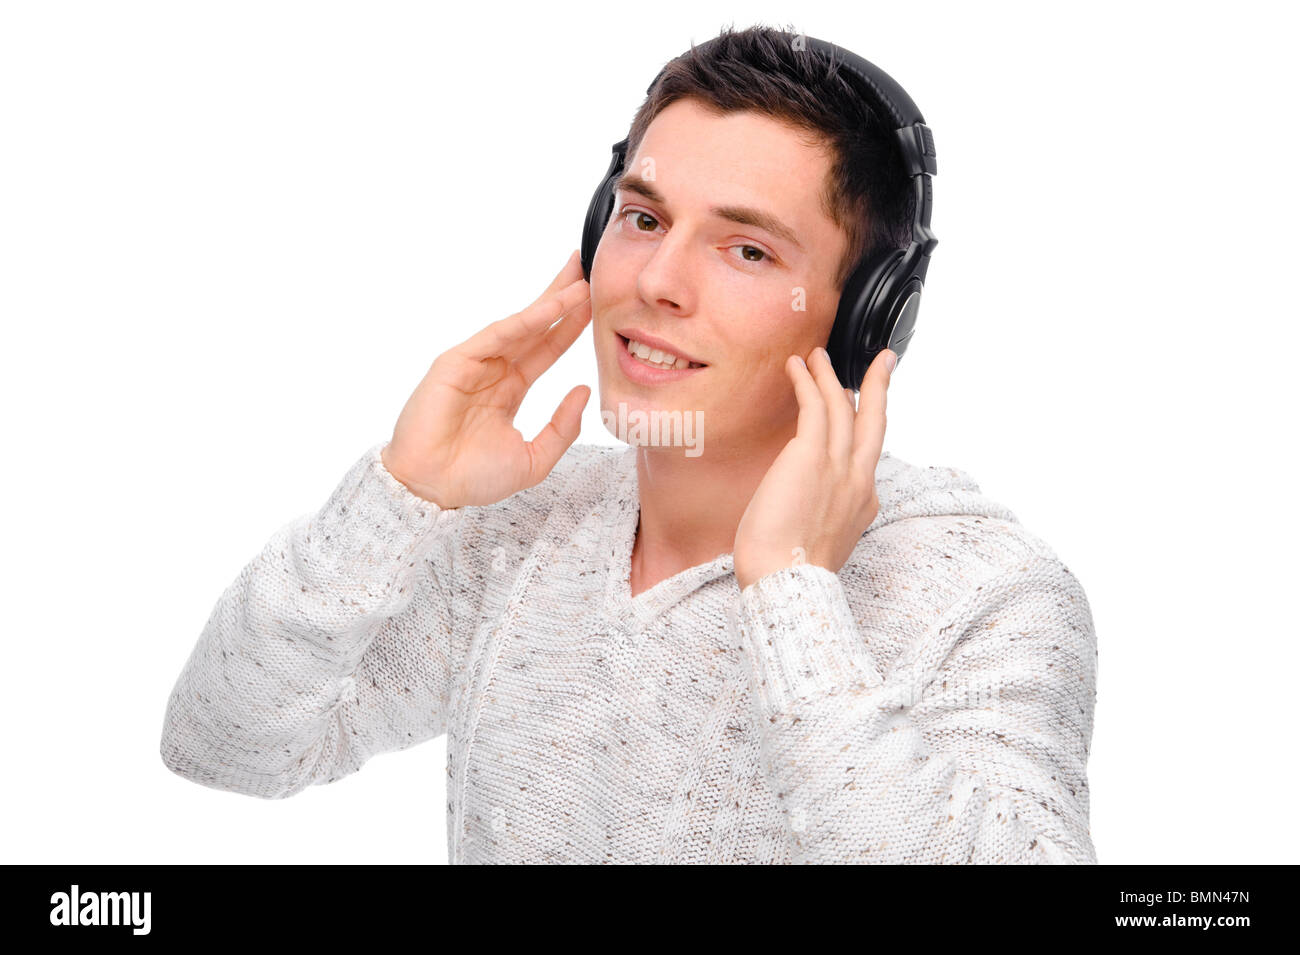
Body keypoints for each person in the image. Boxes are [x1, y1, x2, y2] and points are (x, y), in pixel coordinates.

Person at [160, 24, 1098, 864]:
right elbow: (222, 743)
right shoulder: (527, 523)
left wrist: (792, 595)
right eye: (644, 219)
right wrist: (399, 496)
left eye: (747, 250)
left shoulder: (985, 592)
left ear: (865, 318)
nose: (656, 280)